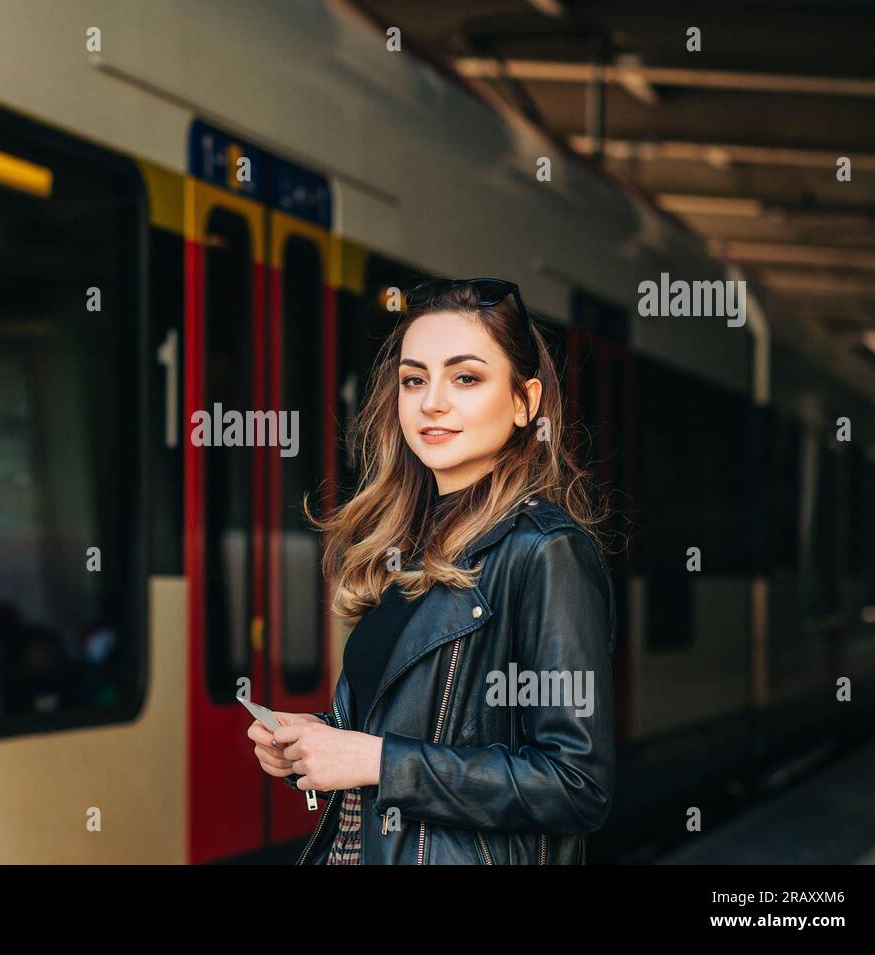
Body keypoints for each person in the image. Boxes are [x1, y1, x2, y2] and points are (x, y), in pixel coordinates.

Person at [247, 277, 617, 864]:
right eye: (414, 379)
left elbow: (576, 785)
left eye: (465, 378)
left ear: (527, 402)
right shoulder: (409, 546)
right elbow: (416, 729)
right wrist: (318, 744)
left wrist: (375, 760)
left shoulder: (546, 552)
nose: (431, 401)